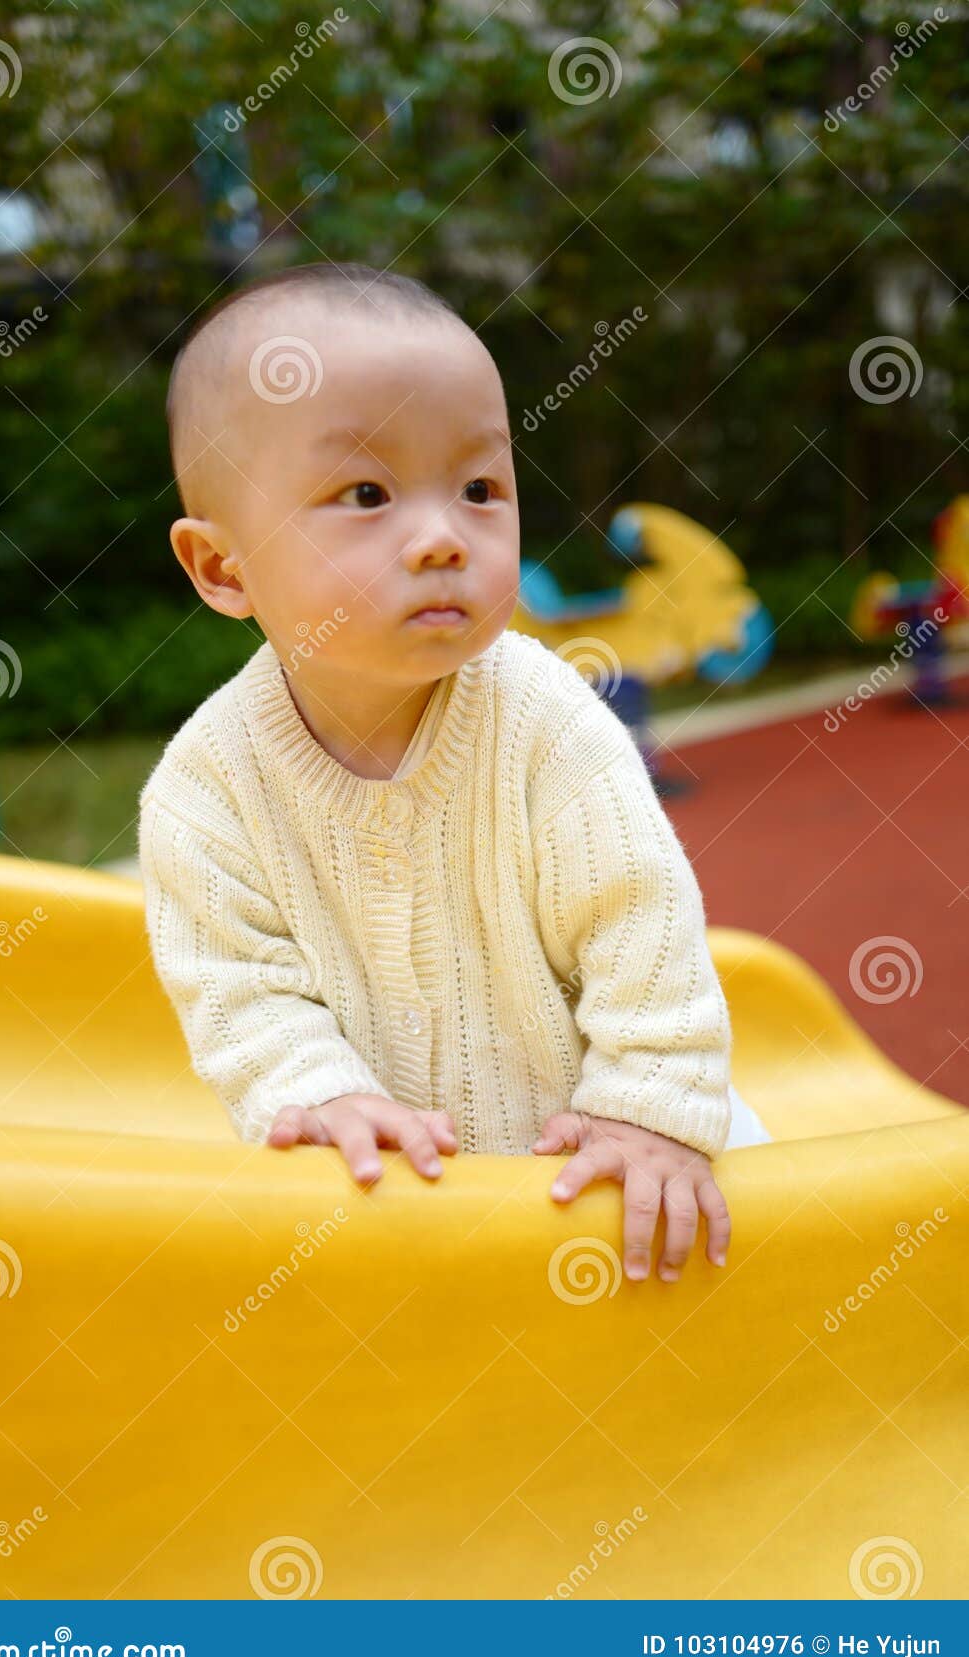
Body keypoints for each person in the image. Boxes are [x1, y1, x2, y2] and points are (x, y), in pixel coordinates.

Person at [138, 261, 769, 1288]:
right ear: (222, 568)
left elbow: (637, 923)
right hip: (413, 1194)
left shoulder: (544, 718)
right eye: (365, 494)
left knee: (724, 1281)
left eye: (478, 488)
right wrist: (320, 1095)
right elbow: (241, 994)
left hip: (602, 1152)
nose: (440, 538)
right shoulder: (205, 793)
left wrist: (648, 1108)